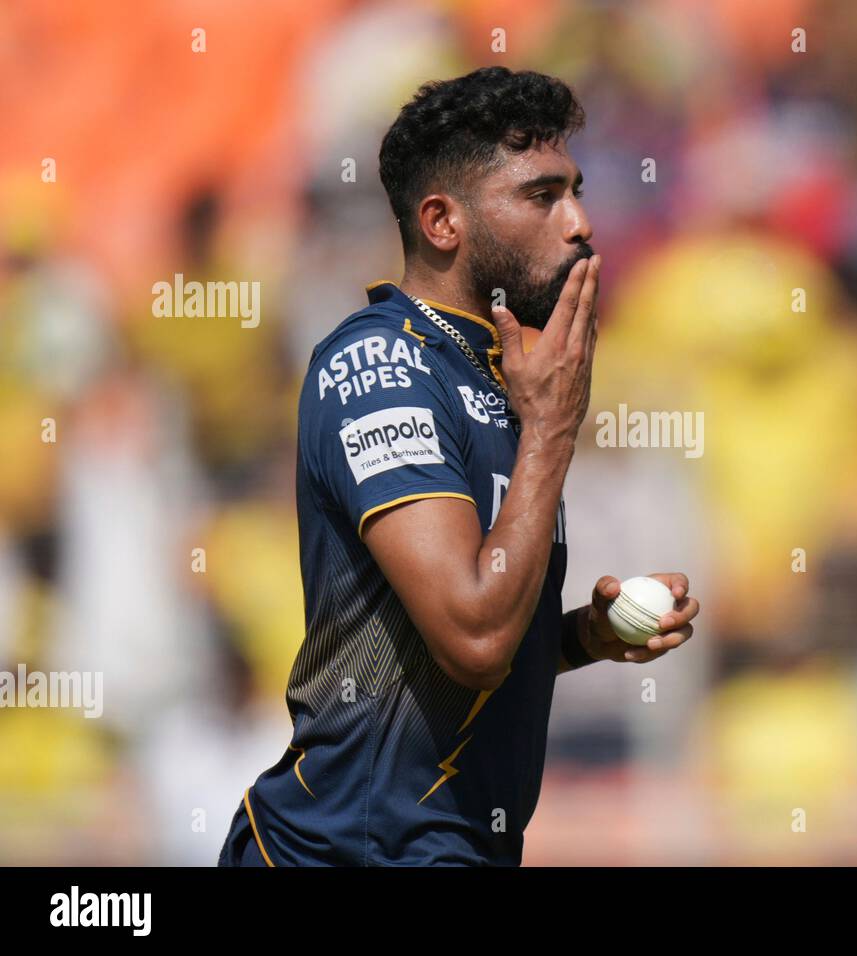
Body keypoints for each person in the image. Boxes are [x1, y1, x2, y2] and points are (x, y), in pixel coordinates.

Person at [218, 66, 699, 866]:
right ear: (442, 221)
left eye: (576, 190)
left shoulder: (507, 383)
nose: (581, 221)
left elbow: (465, 650)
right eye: (542, 196)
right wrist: (549, 434)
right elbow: (472, 638)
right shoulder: (378, 366)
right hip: (346, 852)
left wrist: (582, 636)